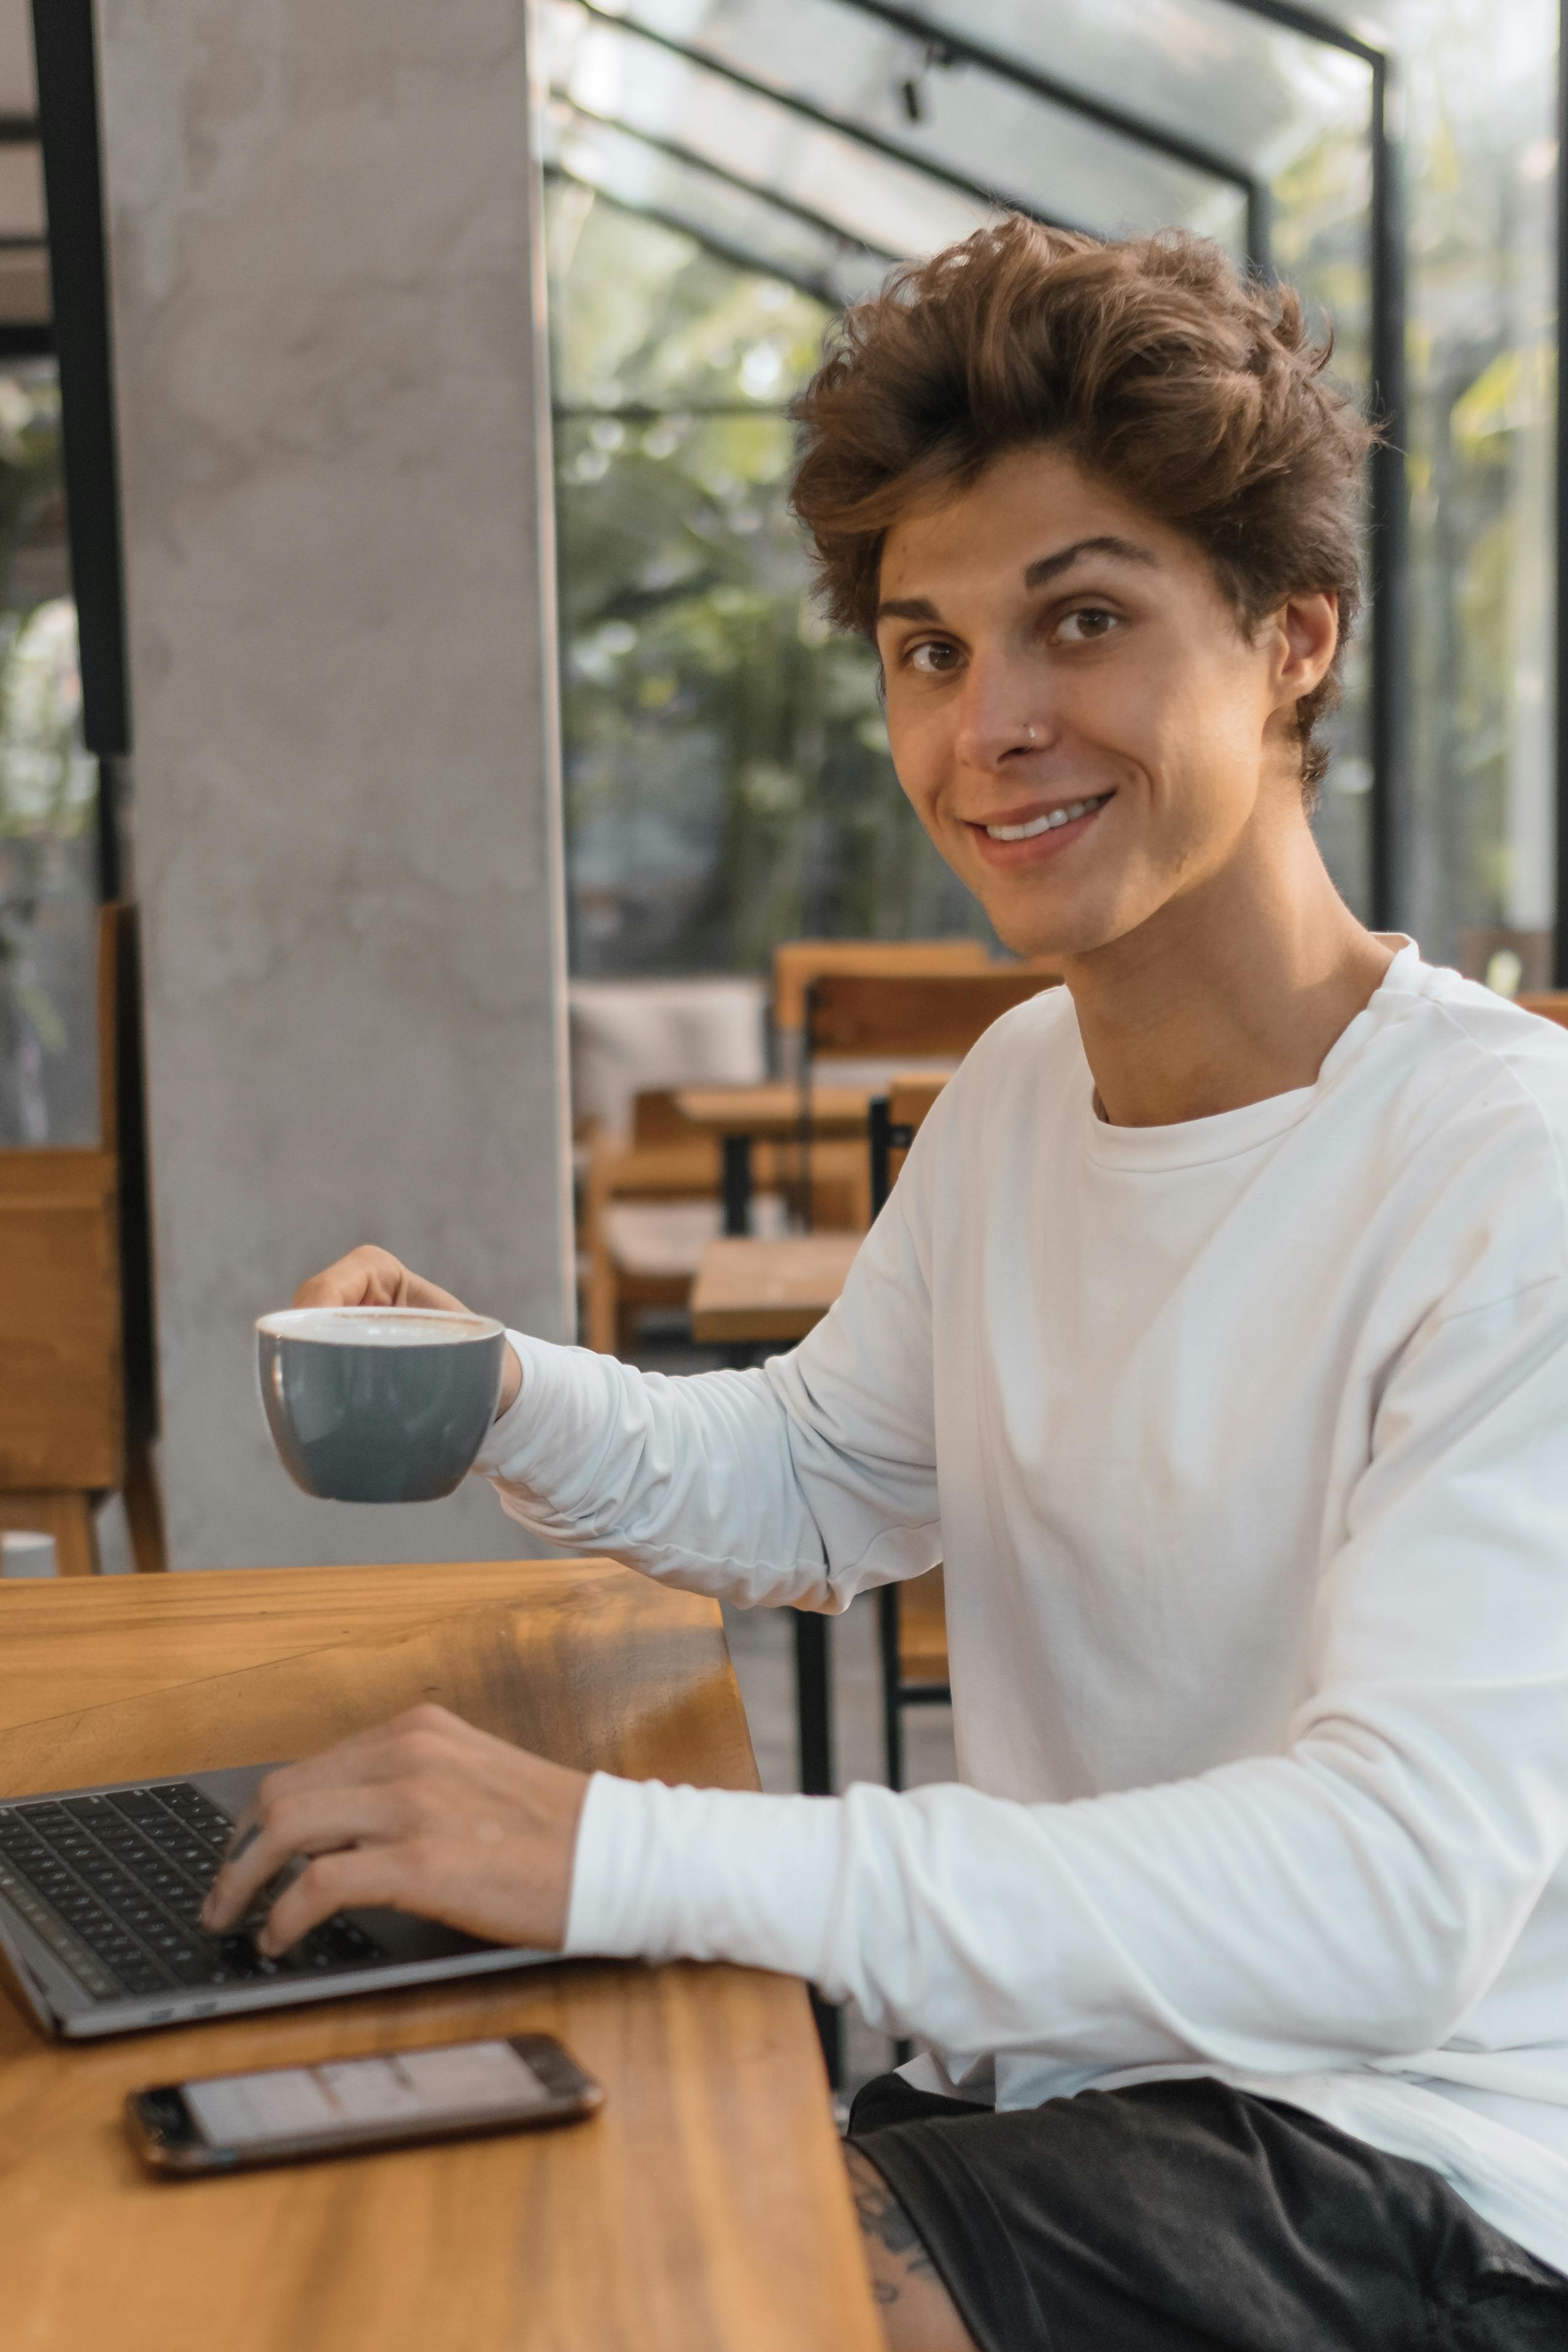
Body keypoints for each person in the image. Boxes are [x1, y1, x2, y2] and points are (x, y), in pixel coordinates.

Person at [204, 222, 1568, 2350]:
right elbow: (830, 1476)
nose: (990, 727)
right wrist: (494, 1390)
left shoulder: (1509, 1175)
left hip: (1421, 2171)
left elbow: (1390, 1903)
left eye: (1081, 620)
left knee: (645, 2289)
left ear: (1291, 637)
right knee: (463, 2198)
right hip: (1082, 2082)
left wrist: (612, 1853)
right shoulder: (1027, 1085)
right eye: (928, 650)